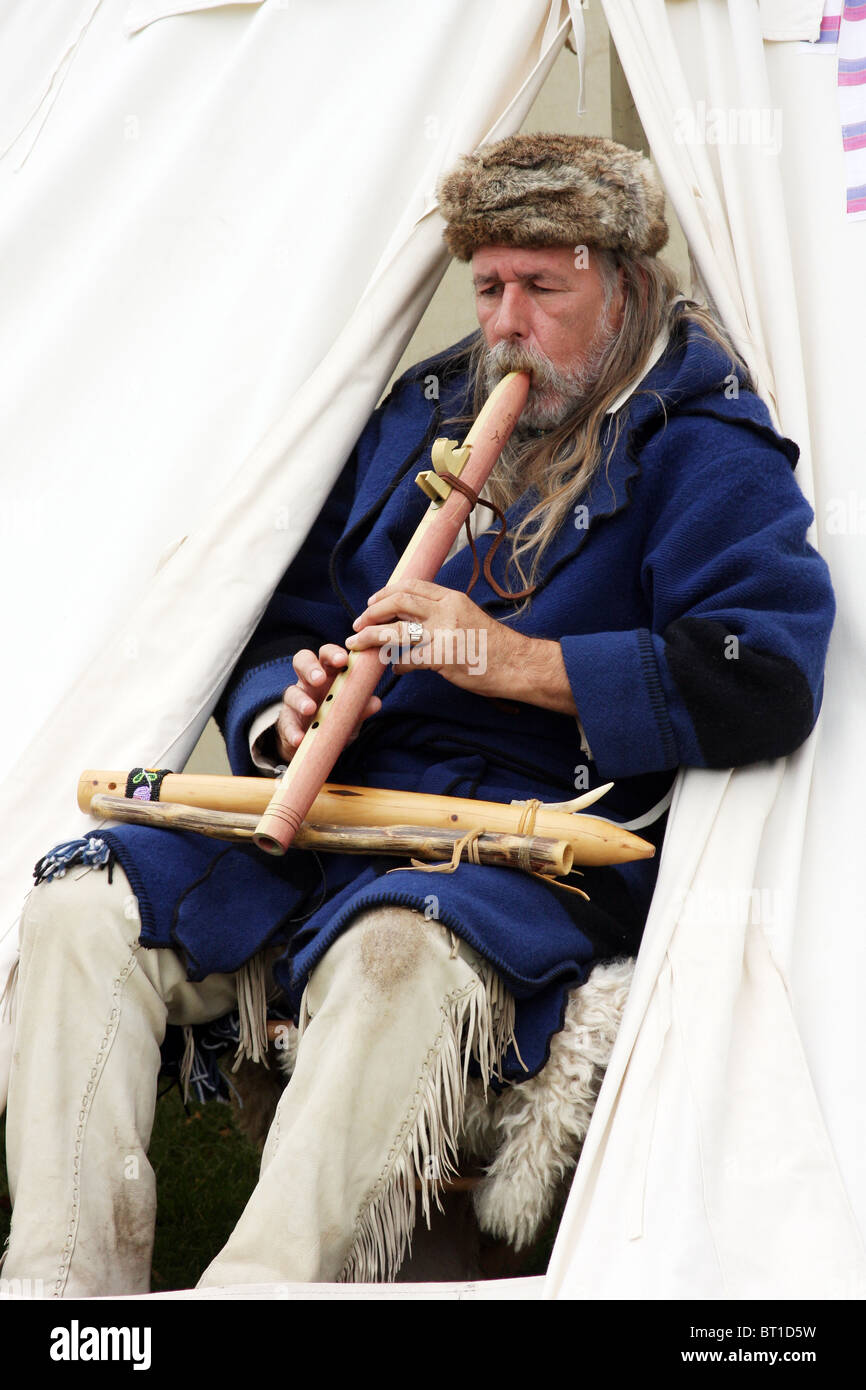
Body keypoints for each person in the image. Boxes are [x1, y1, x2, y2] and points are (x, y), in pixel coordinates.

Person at [2, 133, 834, 1295]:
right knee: (83, 902)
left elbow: (763, 669)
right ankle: (63, 1298)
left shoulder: (700, 438)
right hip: (336, 806)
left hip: (521, 838)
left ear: (621, 280)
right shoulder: (425, 411)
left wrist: (522, 662)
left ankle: (262, 1289)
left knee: (396, 951)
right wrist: (281, 707)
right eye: (489, 285)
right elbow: (282, 610)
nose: (505, 321)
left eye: (542, 288)